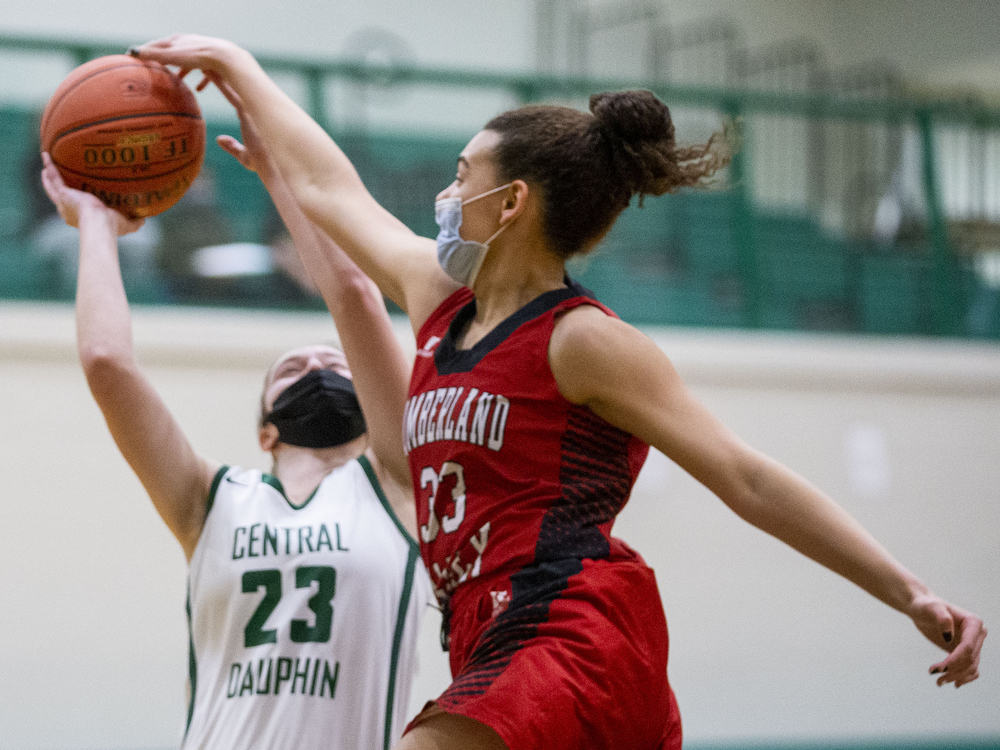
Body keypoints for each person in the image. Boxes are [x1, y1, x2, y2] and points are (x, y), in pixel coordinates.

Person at [131, 35, 987, 750]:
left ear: (510, 203)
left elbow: (745, 476)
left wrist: (906, 590)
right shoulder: (440, 299)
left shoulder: (583, 341)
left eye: (461, 174)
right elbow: (327, 191)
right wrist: (237, 67)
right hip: (482, 639)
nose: (445, 192)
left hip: (571, 634)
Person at [40, 127, 432, 749]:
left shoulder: (399, 487)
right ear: (264, 429)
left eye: (335, 366)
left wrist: (278, 177)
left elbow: (354, 294)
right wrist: (93, 219)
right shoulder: (211, 500)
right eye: (294, 369)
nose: (319, 369)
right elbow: (107, 361)